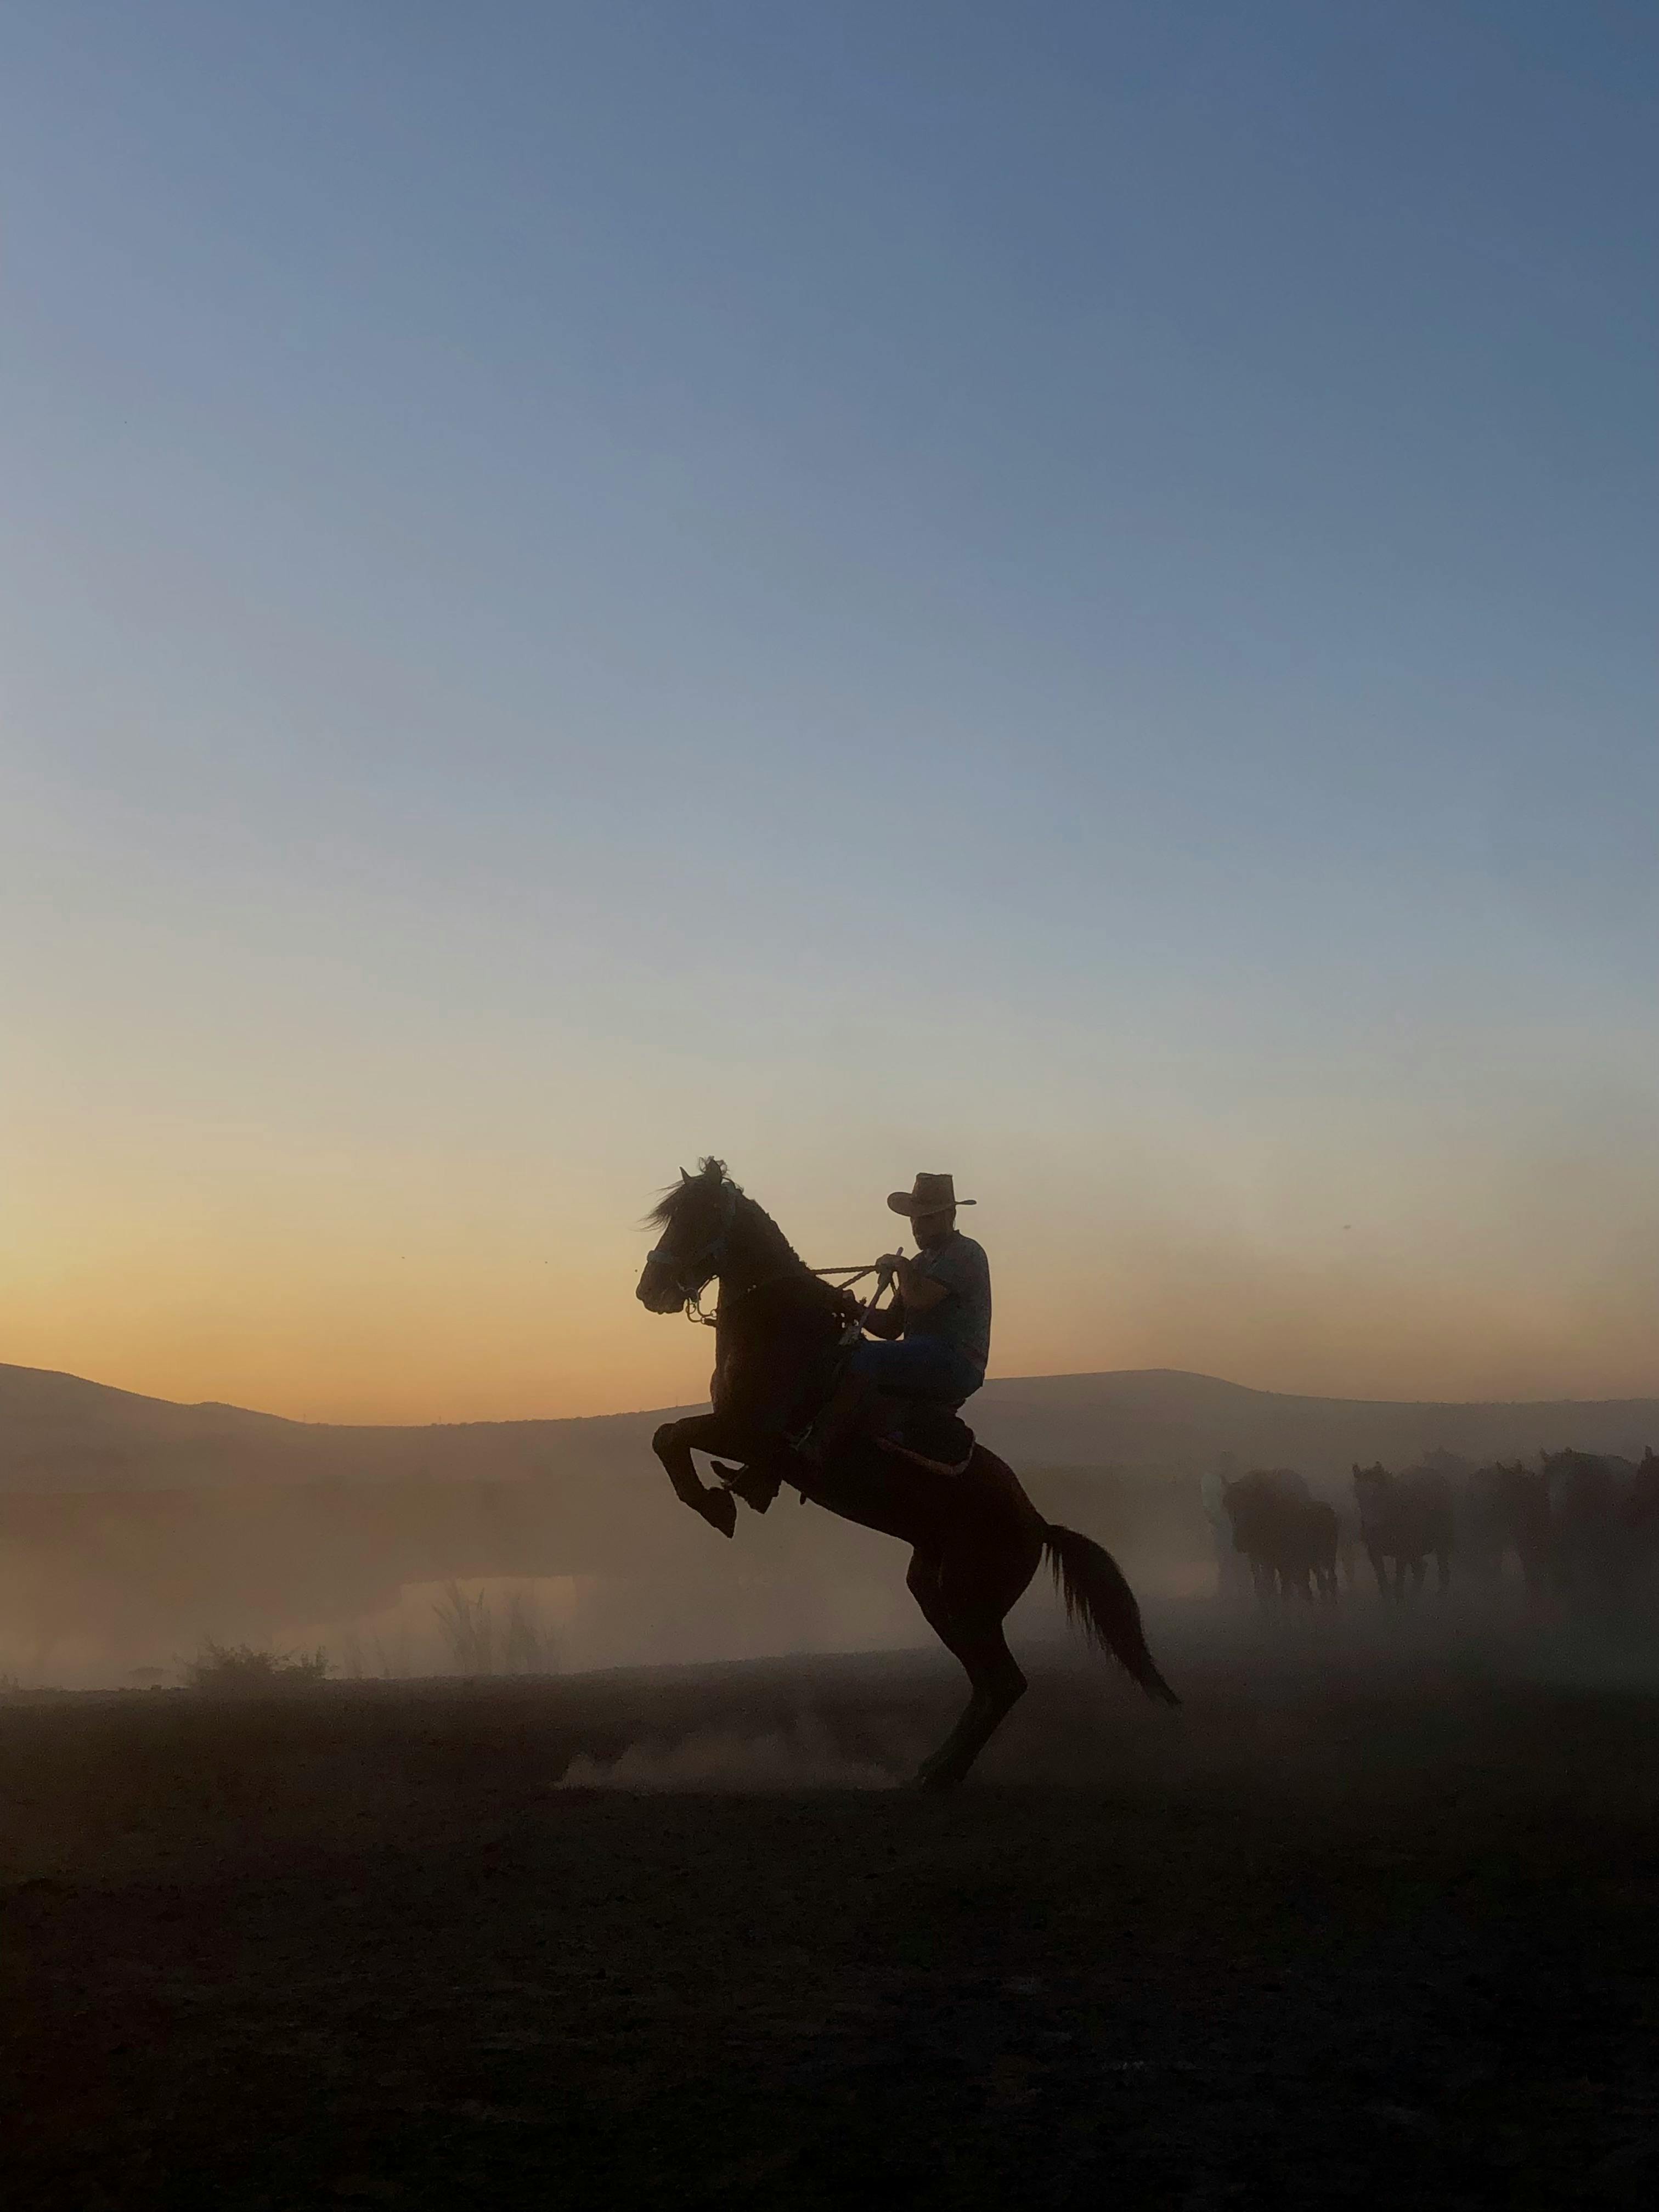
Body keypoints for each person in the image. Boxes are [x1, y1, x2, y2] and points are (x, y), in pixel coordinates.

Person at [800, 1171, 991, 1463]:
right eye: (914, 1218)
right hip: (924, 1355)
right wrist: (852, 1309)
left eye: (926, 1218)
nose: (917, 1226)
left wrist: (902, 1268)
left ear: (951, 1215)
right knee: (849, 1353)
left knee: (864, 1358)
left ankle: (819, 1445)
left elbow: (920, 1299)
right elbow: (891, 1327)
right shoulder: (919, 1263)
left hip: (956, 1359)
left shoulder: (966, 1252)